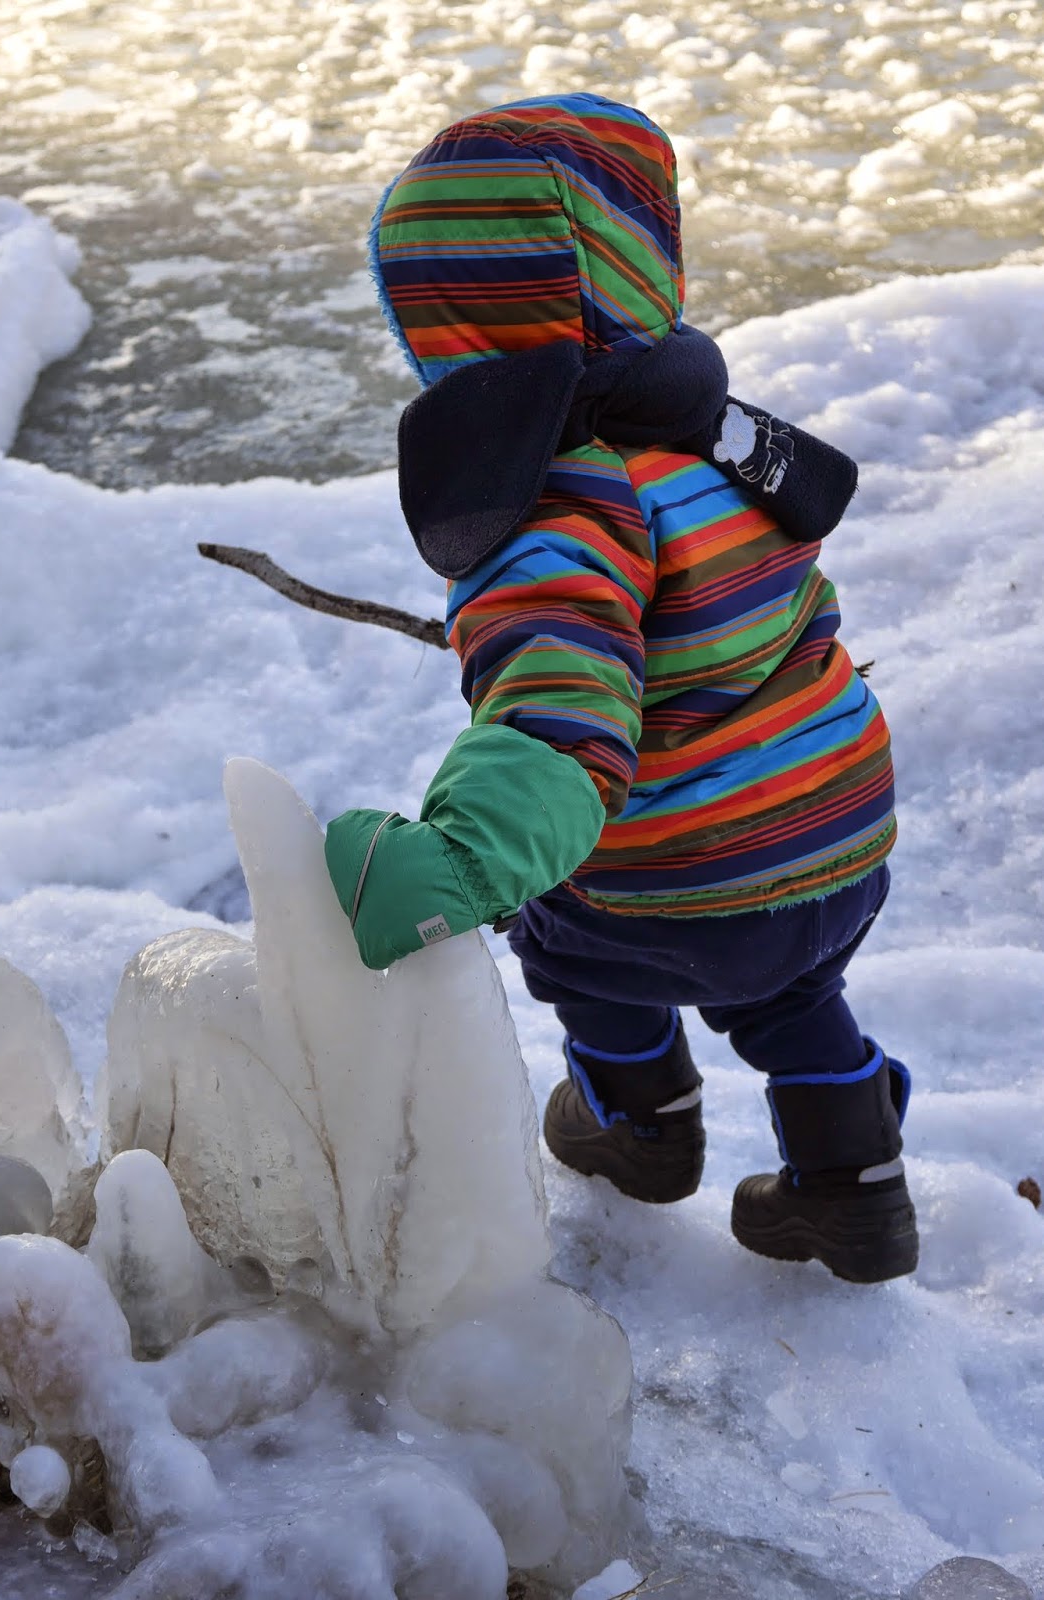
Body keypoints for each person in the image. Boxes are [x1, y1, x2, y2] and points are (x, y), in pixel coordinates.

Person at [324, 92, 917, 1284]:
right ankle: (852, 1187)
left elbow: (561, 696)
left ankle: (637, 1124)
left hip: (680, 883)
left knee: (576, 941)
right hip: (839, 835)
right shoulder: (720, 445)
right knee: (793, 987)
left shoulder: (560, 499)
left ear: (449, 321)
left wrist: (466, 858)